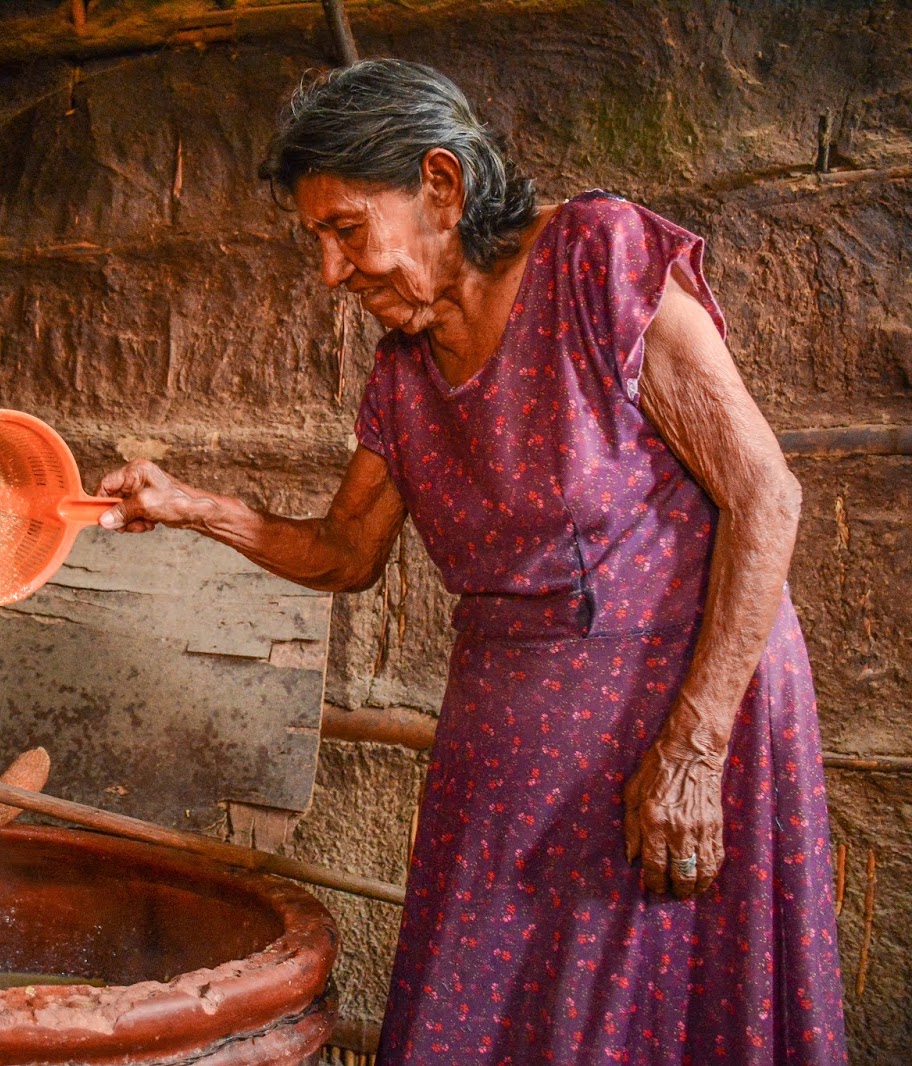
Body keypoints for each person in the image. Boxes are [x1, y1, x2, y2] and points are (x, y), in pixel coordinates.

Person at [95, 59, 846, 1064]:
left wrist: (695, 750)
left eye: (346, 230)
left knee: (647, 1019)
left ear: (441, 188)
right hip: (506, 762)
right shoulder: (402, 374)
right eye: (314, 241)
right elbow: (343, 552)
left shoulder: (596, 260)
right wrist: (188, 507)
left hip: (670, 733)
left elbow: (765, 495)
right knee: (475, 1015)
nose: (329, 273)